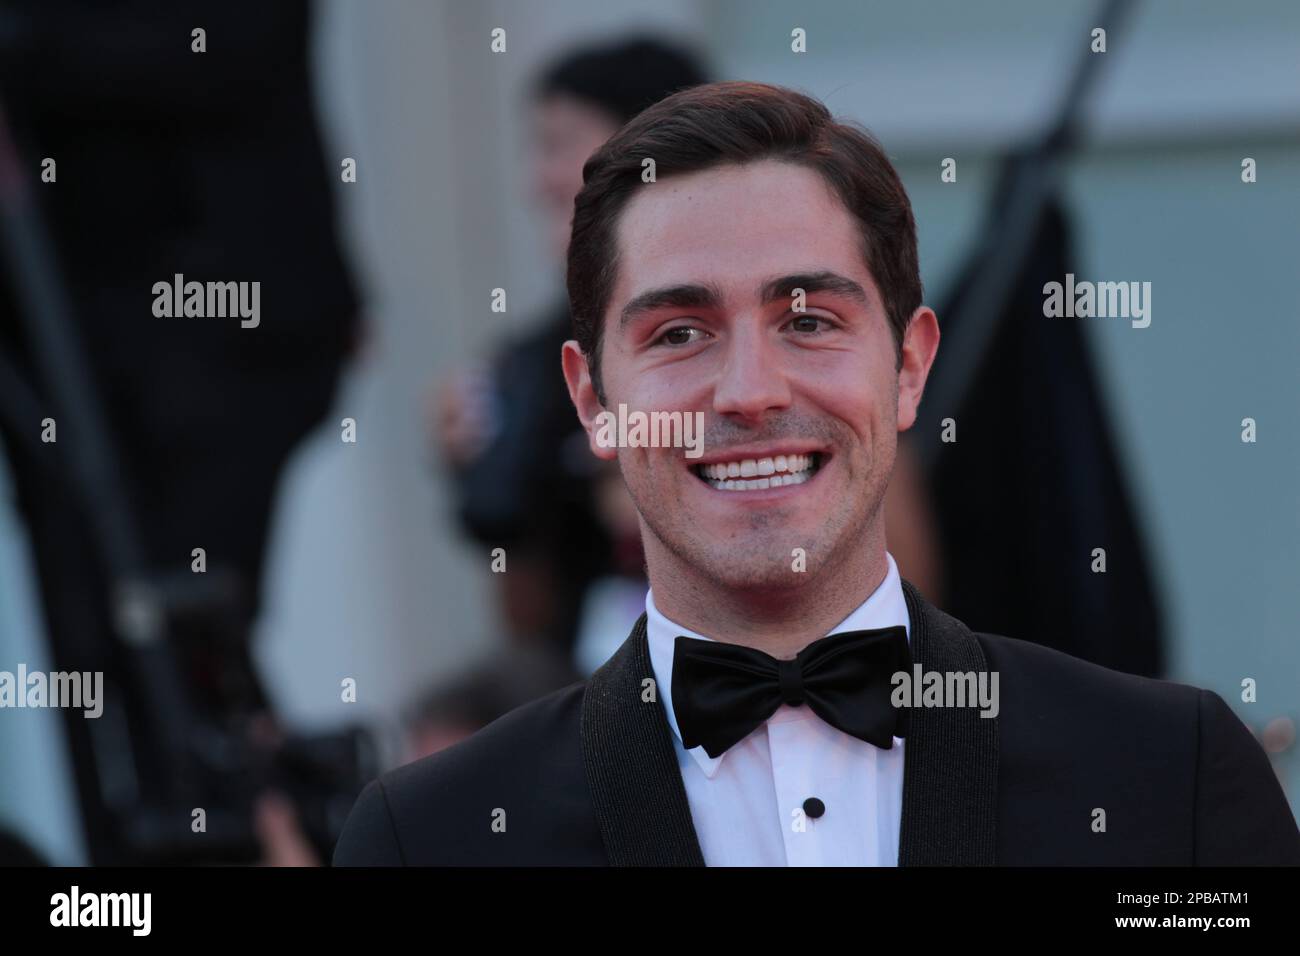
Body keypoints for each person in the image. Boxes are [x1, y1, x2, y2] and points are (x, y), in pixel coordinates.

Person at [335, 81, 1300, 866]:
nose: (751, 392)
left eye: (808, 321)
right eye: (680, 333)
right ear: (592, 402)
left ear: (910, 366)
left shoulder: (1168, 778)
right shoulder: (433, 841)